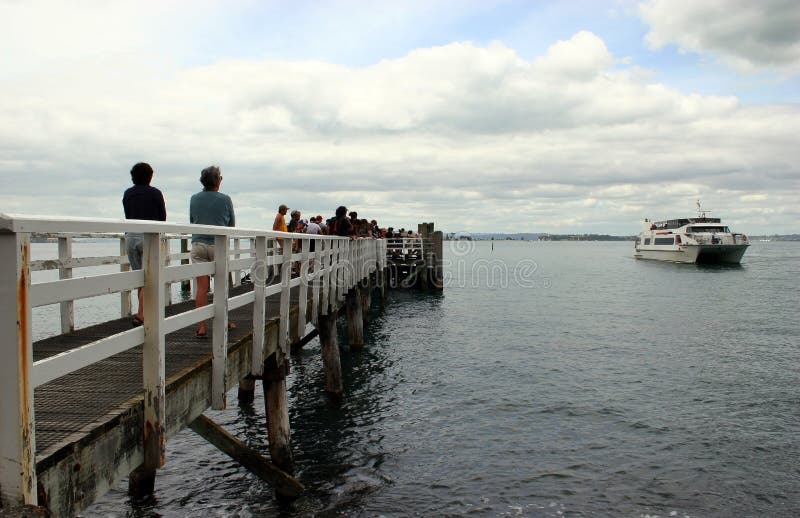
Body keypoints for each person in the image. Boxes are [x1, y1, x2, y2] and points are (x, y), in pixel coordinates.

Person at [190, 165, 235, 338]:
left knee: (201, 287)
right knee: (221, 286)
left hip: (198, 244)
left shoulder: (194, 198)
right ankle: (225, 321)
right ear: (217, 180)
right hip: (218, 246)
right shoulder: (225, 199)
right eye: (221, 177)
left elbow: (192, 220)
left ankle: (201, 326)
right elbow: (231, 225)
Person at [122, 162, 167, 327]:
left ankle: (142, 311)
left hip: (131, 236)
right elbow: (162, 217)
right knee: (150, 276)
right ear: (150, 176)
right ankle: (142, 314)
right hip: (148, 237)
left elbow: (127, 214)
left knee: (139, 276)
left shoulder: (128, 194)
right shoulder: (155, 193)